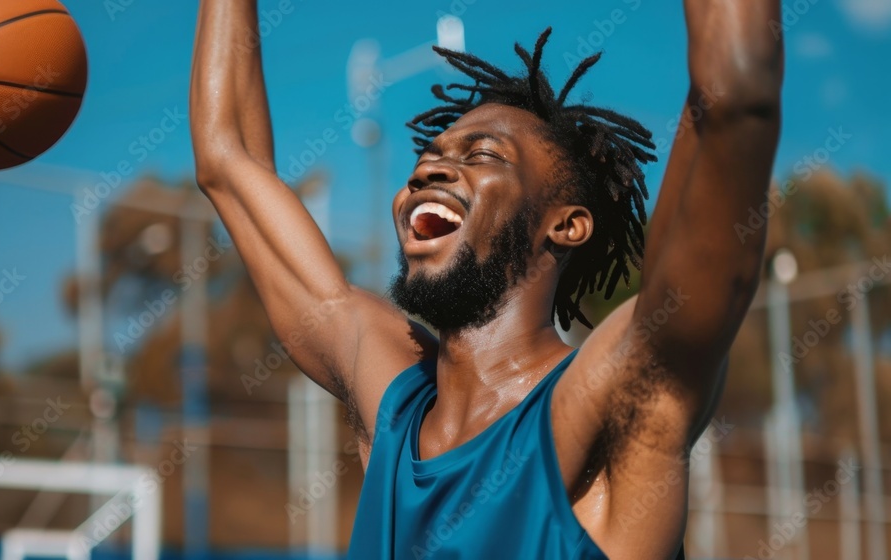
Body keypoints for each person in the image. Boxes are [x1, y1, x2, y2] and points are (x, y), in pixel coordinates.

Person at [190, 0, 783, 557]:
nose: (428, 167)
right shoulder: (390, 395)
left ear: (567, 225)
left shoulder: (611, 394)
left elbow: (733, 98)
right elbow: (227, 157)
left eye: (484, 155)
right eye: (430, 154)